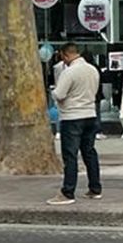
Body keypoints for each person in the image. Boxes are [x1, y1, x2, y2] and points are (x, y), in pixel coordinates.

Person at [47, 43, 103, 206]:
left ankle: (68, 191)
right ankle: (95, 187)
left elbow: (59, 94)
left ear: (65, 55)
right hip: (90, 114)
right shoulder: (92, 69)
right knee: (89, 152)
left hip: (72, 116)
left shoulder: (69, 72)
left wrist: (53, 91)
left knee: (70, 155)